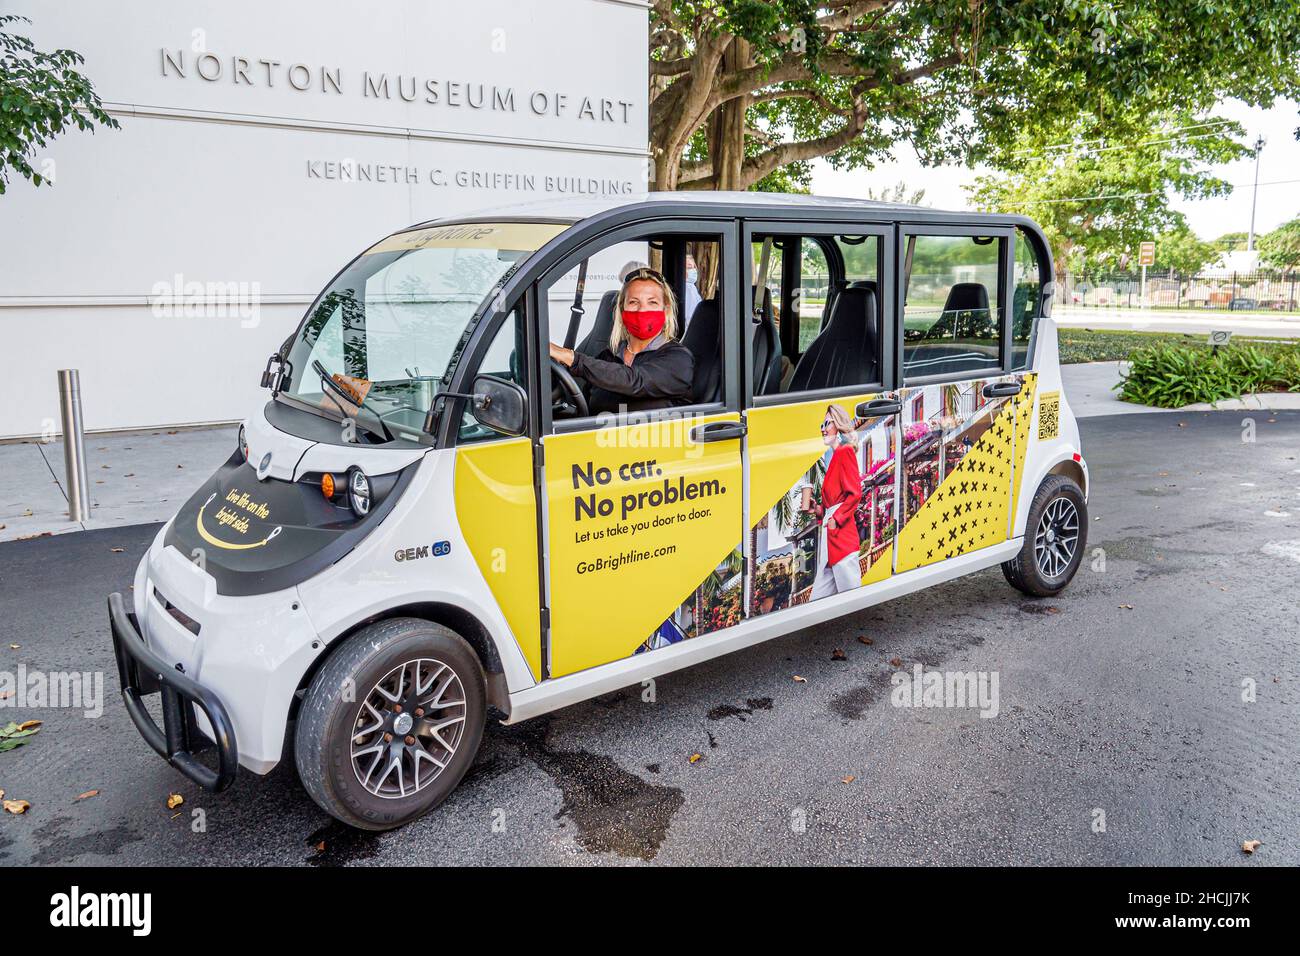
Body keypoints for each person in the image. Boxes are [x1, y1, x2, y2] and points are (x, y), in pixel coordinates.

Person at [548, 267, 694, 416]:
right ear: (622, 309)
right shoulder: (607, 357)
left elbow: (634, 381)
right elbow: (583, 406)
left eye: (652, 302)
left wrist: (570, 357)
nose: (642, 310)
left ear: (666, 310)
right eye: (633, 302)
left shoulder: (678, 359)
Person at [807, 403, 863, 598]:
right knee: (818, 598)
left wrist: (835, 519)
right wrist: (820, 510)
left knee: (850, 595)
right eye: (821, 425)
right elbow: (835, 499)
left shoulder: (844, 452)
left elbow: (854, 493)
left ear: (837, 424)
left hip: (841, 536)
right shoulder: (834, 457)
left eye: (826, 423)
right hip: (830, 539)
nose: (823, 429)